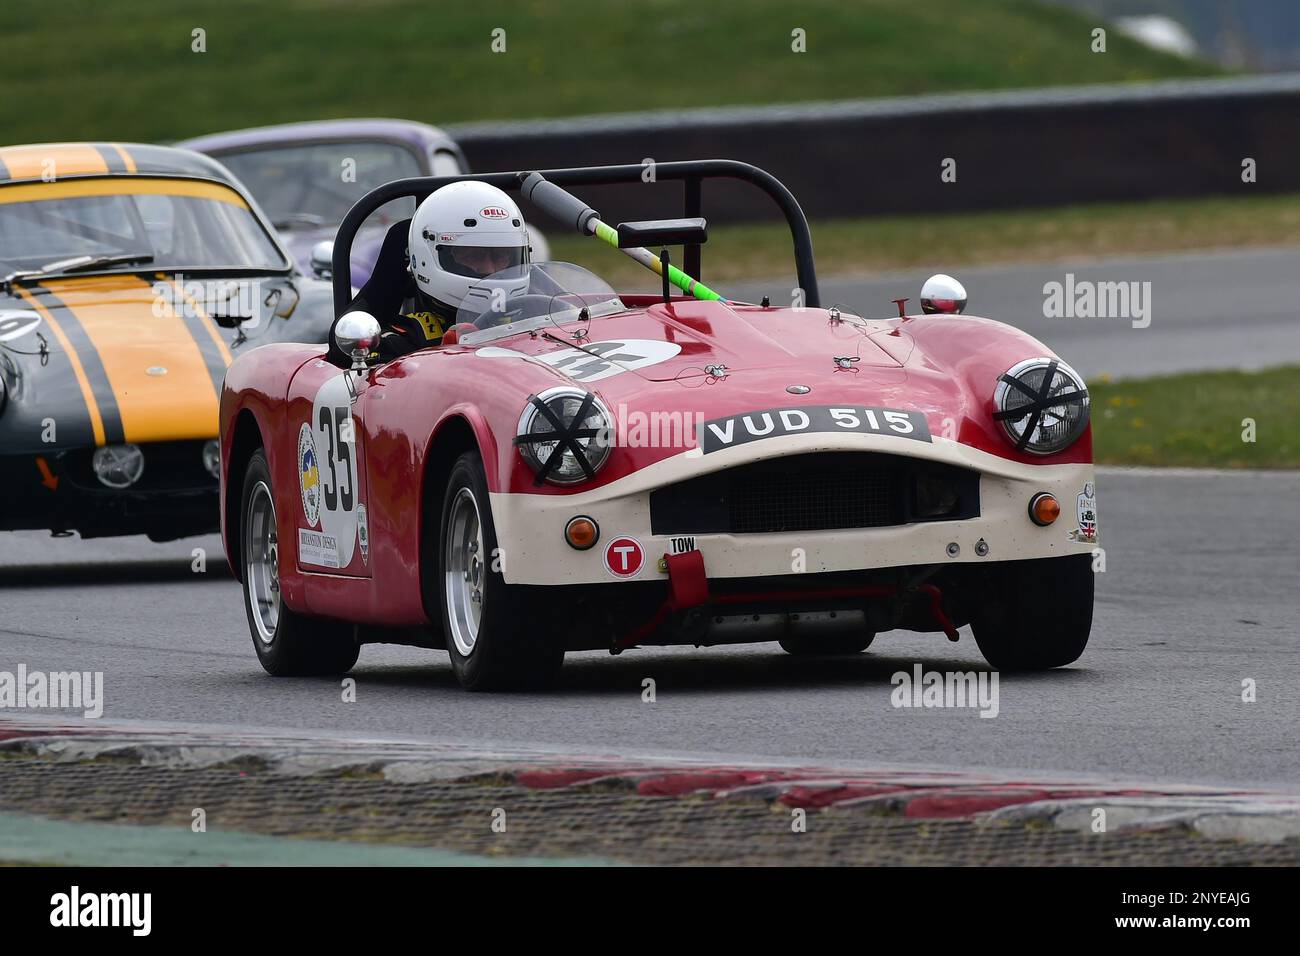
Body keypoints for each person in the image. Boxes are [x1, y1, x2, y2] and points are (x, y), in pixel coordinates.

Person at [332, 181, 531, 361]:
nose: (490, 269)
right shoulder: (404, 342)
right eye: (474, 256)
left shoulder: (539, 319)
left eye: (501, 256)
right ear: (425, 257)